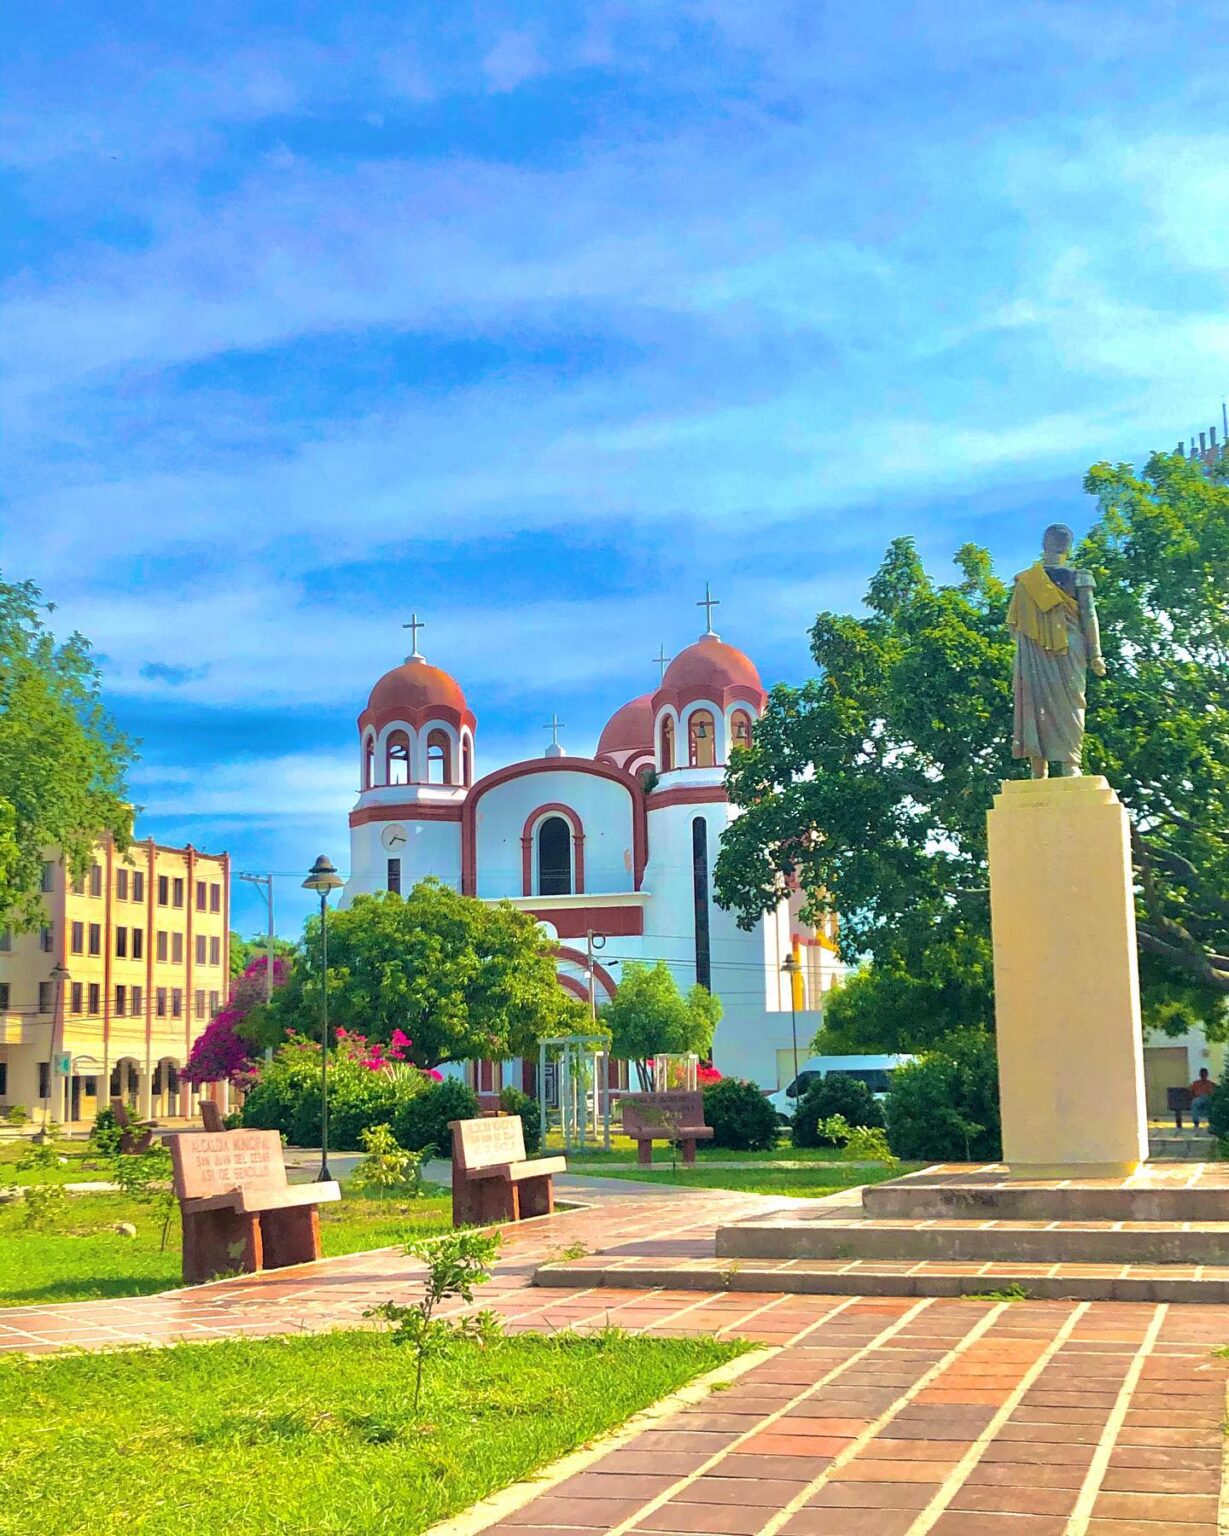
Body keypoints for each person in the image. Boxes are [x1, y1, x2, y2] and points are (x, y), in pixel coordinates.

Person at [1007, 523, 1106, 778]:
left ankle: (1041, 768)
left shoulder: (1026, 582)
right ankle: (1068, 765)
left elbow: (1015, 628)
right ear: (1069, 548)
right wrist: (1095, 653)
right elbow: (1090, 616)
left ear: (1043, 544)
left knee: (1037, 704)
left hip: (1035, 651)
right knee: (1069, 704)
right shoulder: (1069, 577)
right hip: (1064, 647)